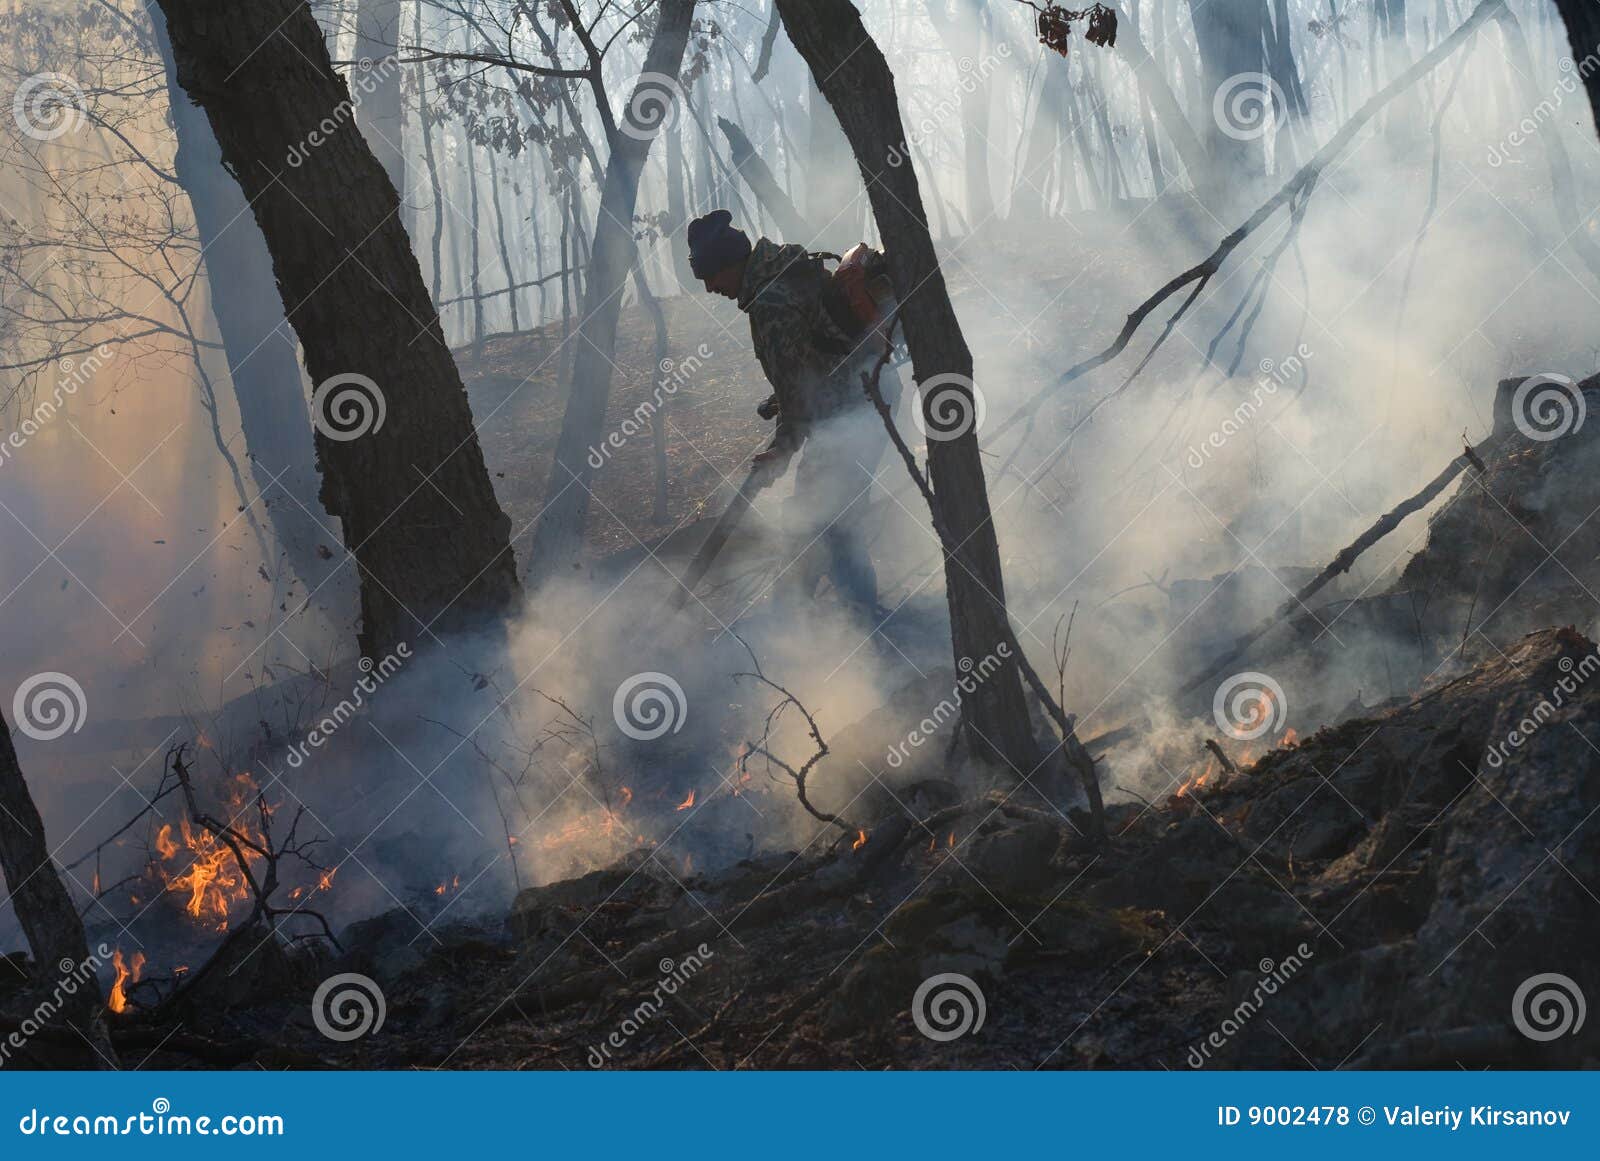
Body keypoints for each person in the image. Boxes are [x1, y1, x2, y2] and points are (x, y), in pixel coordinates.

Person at [686, 209, 896, 616]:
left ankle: (840, 626)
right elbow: (812, 360)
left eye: (712, 276)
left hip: (850, 412)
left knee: (818, 523)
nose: (711, 288)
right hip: (867, 400)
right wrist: (783, 406)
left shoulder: (771, 304)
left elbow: (800, 394)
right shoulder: (787, 268)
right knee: (827, 521)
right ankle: (815, 623)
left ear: (731, 265)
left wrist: (781, 449)